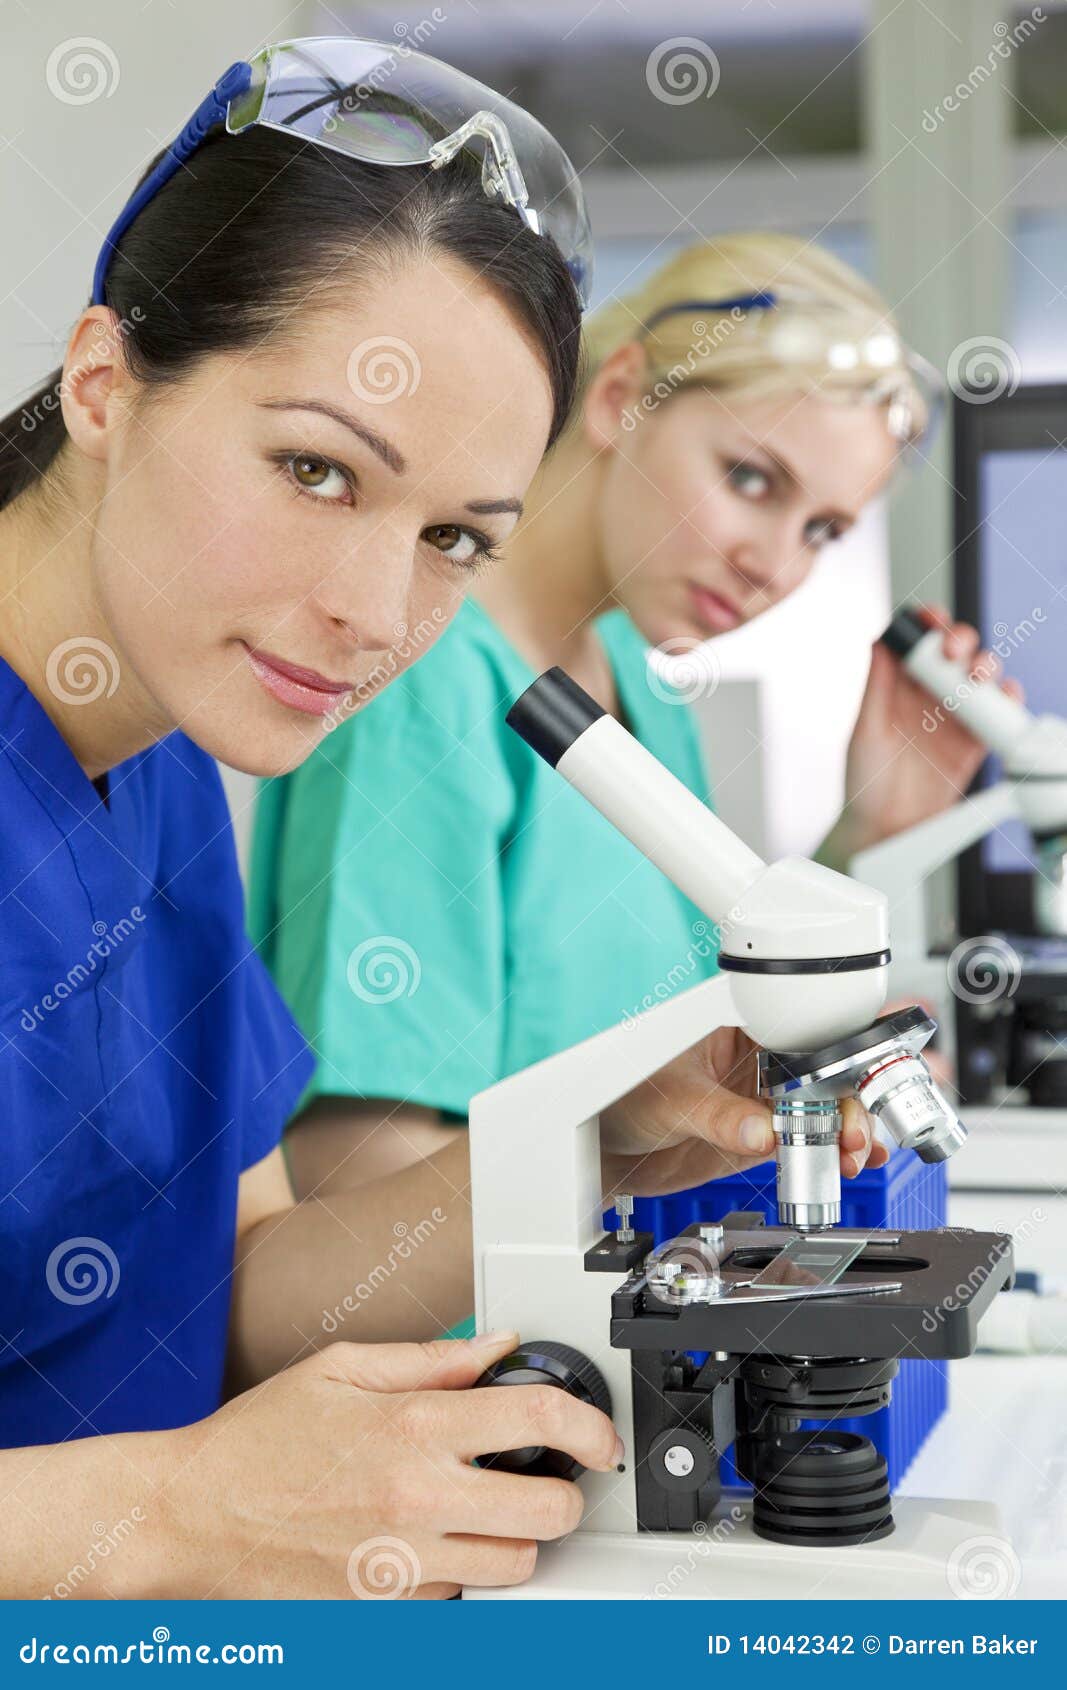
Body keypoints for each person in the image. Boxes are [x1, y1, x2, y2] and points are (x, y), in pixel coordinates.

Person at [2, 37, 880, 1603]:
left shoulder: (167, 764)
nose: (367, 614)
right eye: (314, 468)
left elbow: (239, 1292)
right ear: (102, 380)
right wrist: (184, 1503)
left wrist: (585, 1147)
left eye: (457, 539)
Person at [252, 233, 1004, 1225]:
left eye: (820, 529)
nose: (771, 563)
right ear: (619, 399)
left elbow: (696, 1053)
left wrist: (864, 829)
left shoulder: (636, 689)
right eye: (749, 478)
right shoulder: (422, 686)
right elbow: (357, 1179)